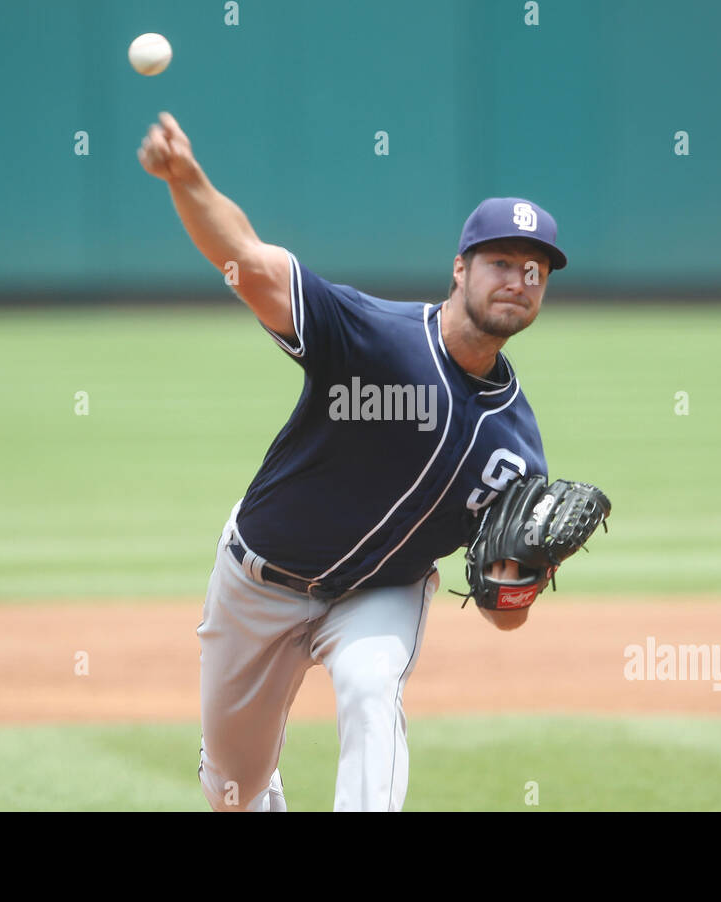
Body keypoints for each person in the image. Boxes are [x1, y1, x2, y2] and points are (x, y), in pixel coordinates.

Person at [137, 112, 568, 807]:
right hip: (260, 581)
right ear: (459, 269)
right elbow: (250, 263)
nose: (519, 279)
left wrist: (522, 576)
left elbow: (505, 613)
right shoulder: (374, 337)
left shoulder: (516, 447)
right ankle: (254, 780)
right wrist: (188, 180)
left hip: (380, 595)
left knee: (372, 693)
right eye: (500, 262)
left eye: (535, 269)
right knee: (232, 790)